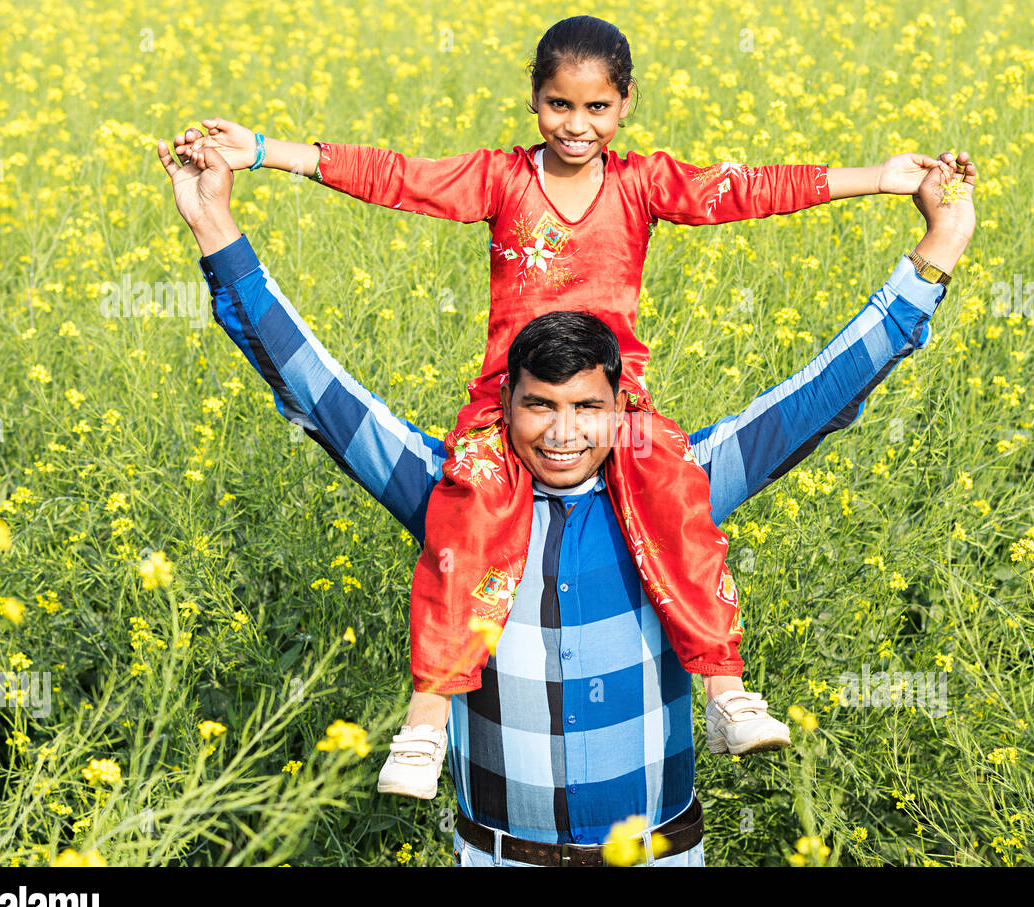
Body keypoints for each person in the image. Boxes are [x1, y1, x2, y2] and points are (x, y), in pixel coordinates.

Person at [172, 13, 952, 799]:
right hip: (500, 410)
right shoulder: (501, 179)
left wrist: (882, 179)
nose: (577, 127)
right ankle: (423, 725)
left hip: (621, 406)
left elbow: (743, 191)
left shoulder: (640, 184)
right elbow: (398, 176)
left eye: (597, 110)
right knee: (465, 512)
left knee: (677, 491)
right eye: (558, 106)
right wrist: (265, 154)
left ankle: (725, 693)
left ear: (626, 104)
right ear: (534, 100)